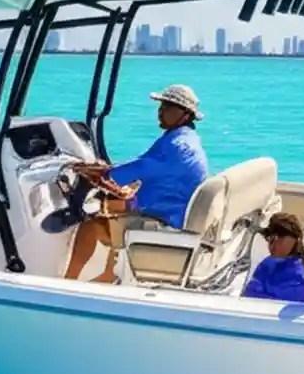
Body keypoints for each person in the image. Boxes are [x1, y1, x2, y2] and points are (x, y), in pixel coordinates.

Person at [63, 84, 209, 283]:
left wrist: (94, 170)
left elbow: (124, 173)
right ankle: (111, 274)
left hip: (166, 222)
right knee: (118, 211)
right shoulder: (187, 140)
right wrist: (109, 171)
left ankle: (68, 281)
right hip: (175, 213)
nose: (160, 111)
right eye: (161, 106)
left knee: (92, 226)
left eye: (167, 106)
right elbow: (145, 167)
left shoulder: (173, 146)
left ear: (184, 114)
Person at [242, 212, 304, 301]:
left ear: (296, 240)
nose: (273, 244)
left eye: (280, 238)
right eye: (270, 238)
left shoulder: (299, 274)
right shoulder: (267, 264)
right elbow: (249, 293)